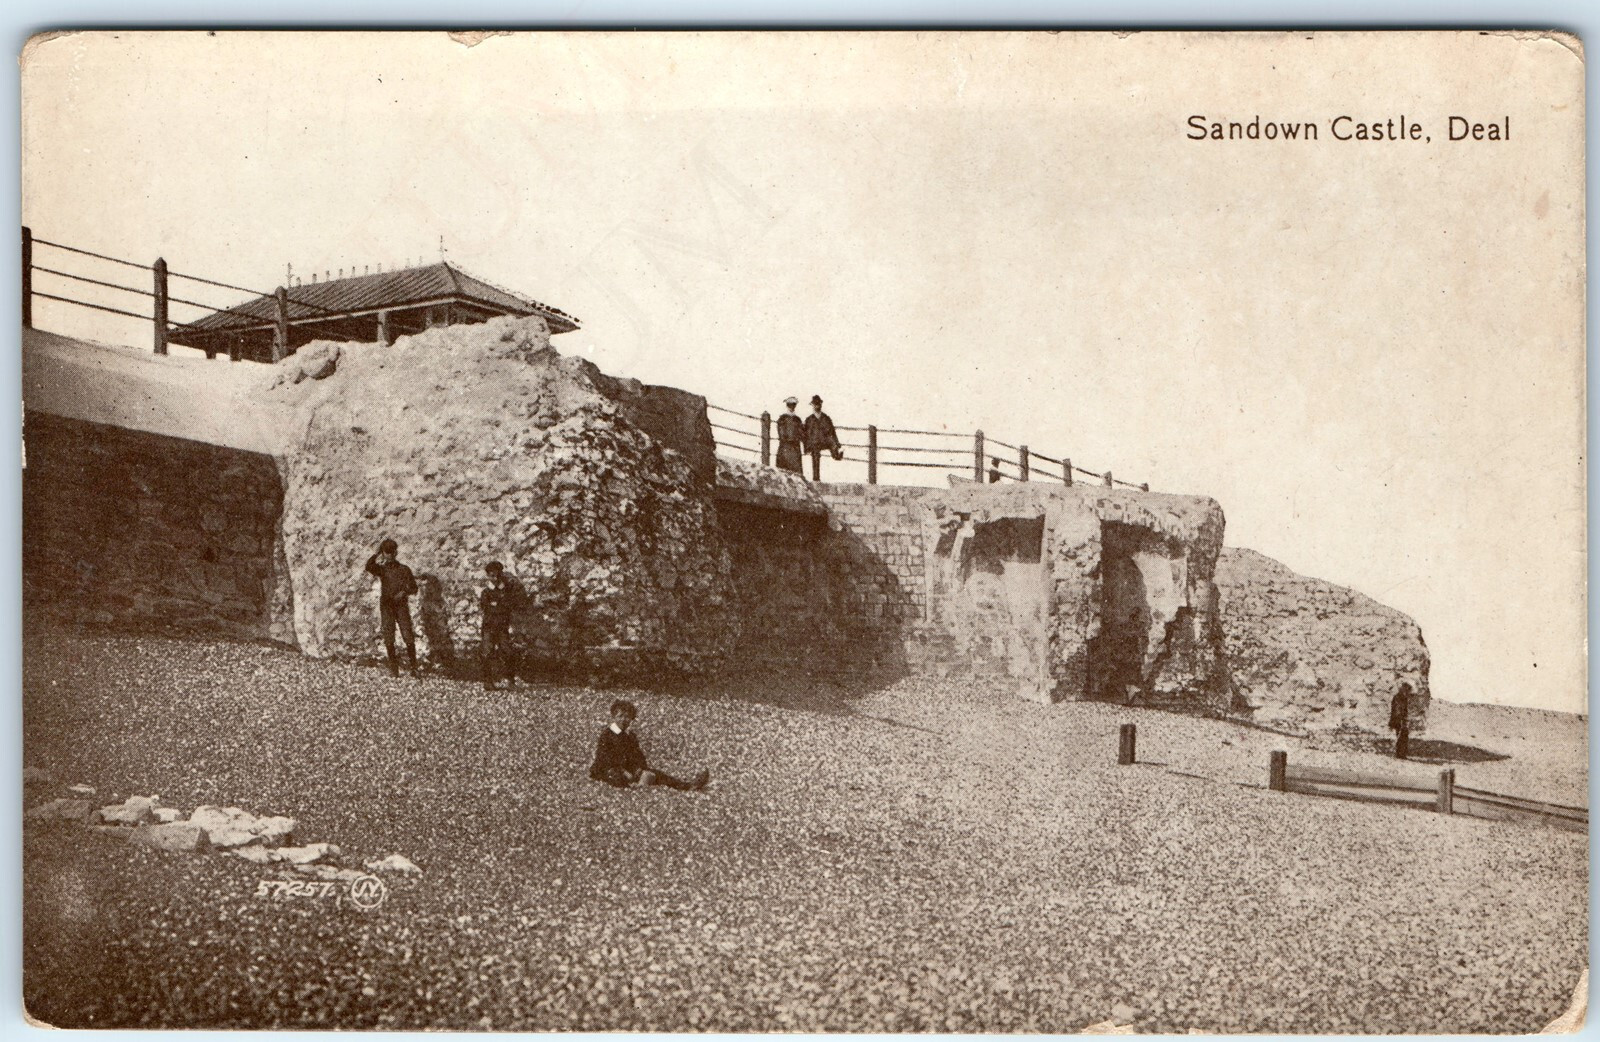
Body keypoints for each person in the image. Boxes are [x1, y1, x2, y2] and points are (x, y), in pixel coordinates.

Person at [589, 699, 710, 791]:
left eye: (627, 717)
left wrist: (639, 768)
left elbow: (638, 755)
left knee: (657, 774)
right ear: (614, 717)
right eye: (620, 716)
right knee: (616, 777)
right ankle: (635, 787)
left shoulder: (630, 735)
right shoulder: (607, 734)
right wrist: (623, 770)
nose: (623, 720)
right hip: (607, 768)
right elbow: (604, 757)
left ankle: (687, 786)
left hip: (627, 768)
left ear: (631, 719)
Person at [365, 538, 419, 677]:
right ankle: (394, 669)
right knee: (389, 637)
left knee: (408, 635)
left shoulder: (404, 570)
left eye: (390, 552)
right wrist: (378, 552)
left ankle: (414, 668)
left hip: (401, 606)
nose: (389, 555)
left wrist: (404, 592)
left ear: (395, 552)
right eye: (386, 552)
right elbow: (369, 566)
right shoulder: (382, 570)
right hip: (387, 606)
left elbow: (414, 588)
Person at [479, 561, 520, 691]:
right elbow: (486, 607)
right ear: (488, 576)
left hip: (502, 626)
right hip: (489, 626)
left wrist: (496, 605)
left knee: (507, 651)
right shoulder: (486, 592)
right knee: (486, 652)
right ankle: (488, 681)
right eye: (492, 576)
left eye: (497, 575)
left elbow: (508, 605)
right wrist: (497, 606)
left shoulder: (507, 590)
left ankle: (510, 680)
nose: (495, 579)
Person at [802, 394, 844, 481]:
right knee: (815, 453)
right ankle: (816, 478)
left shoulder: (826, 418)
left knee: (832, 442)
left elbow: (832, 431)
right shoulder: (809, 420)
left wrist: (837, 443)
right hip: (814, 443)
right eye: (815, 404)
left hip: (824, 441)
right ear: (812, 405)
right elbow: (805, 434)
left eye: (818, 403)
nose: (817, 405)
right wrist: (806, 447)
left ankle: (837, 454)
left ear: (821, 404)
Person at [775, 396, 805, 475]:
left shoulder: (797, 419)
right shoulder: (782, 418)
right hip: (785, 446)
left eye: (793, 405)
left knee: (796, 470)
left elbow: (801, 433)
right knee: (783, 469)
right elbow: (781, 431)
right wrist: (785, 438)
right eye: (790, 405)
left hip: (795, 447)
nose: (791, 407)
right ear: (787, 406)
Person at [1389, 682, 1413, 759]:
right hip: (1398, 720)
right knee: (1400, 736)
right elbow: (1397, 711)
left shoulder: (1403, 698)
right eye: (1407, 691)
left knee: (1403, 736)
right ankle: (1399, 754)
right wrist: (1401, 720)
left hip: (1401, 720)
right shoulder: (1398, 698)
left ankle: (1401, 753)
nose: (1408, 693)